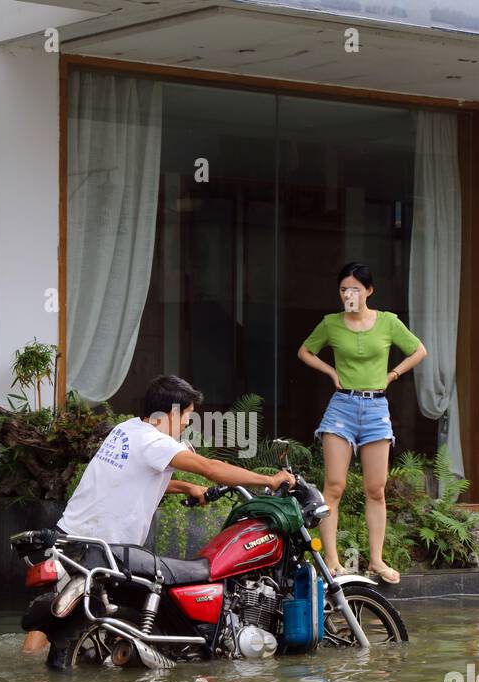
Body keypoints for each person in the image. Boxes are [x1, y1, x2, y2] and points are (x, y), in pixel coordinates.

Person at [22, 375, 294, 652]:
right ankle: (31, 679)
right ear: (172, 413)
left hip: (72, 533)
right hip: (97, 544)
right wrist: (269, 480)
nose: (188, 423)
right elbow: (211, 468)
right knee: (55, 623)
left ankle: (36, 671)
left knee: (58, 618)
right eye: (187, 415)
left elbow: (136, 478)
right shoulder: (155, 443)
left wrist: (187, 487)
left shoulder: (126, 430)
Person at [296, 261, 427, 585]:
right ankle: (332, 561)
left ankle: (377, 561)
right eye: (343, 289)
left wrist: (393, 374)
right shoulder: (331, 323)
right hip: (341, 407)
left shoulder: (388, 323)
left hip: (375, 408)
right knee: (334, 487)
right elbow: (305, 351)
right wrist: (331, 372)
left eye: (354, 289)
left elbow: (419, 350)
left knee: (376, 489)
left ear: (369, 291)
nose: (348, 295)